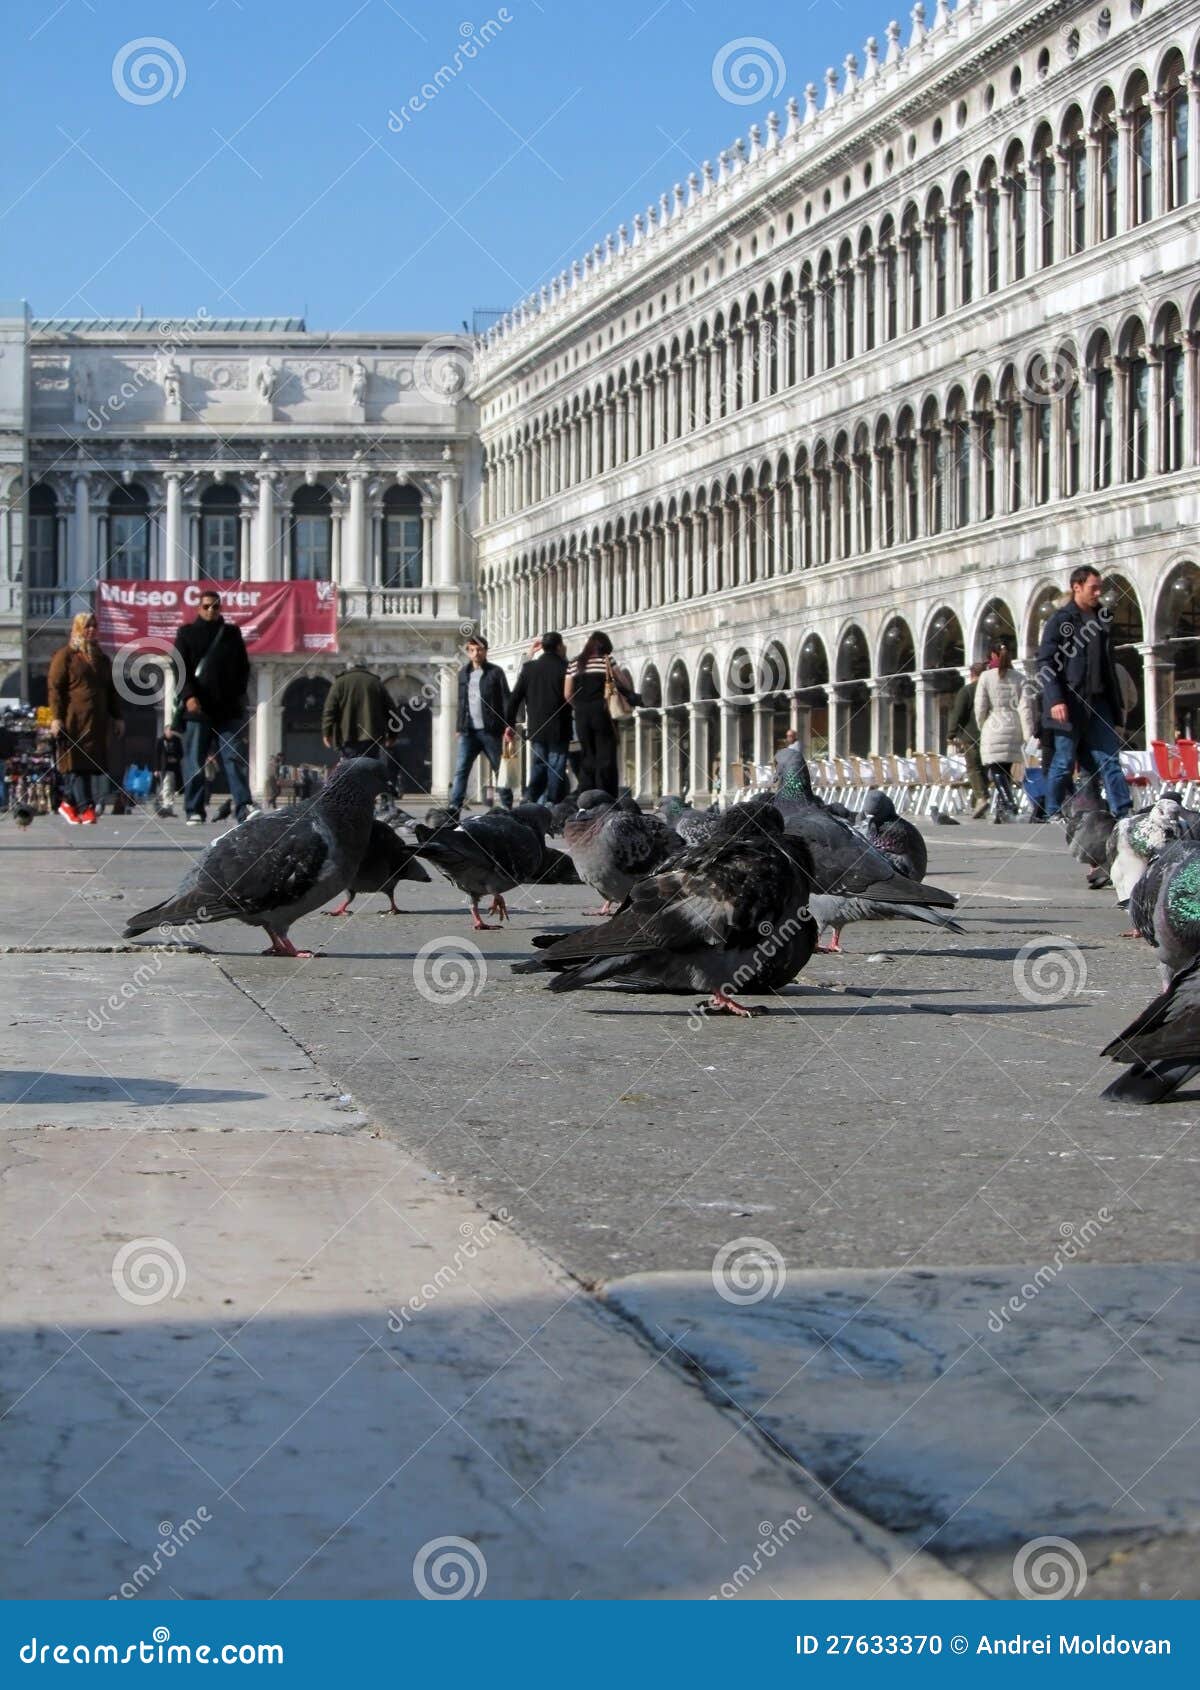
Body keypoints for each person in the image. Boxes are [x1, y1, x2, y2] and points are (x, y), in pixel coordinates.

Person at [1037, 565, 1133, 819]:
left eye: (1100, 587)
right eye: (1094, 587)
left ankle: (1122, 811)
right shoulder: (1061, 620)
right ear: (1076, 587)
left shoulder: (1102, 619)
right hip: (1070, 701)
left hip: (1099, 700)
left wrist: (1117, 703)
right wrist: (1055, 699)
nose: (1098, 592)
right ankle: (1053, 810)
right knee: (1064, 760)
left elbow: (1107, 665)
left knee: (1109, 758)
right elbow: (1046, 662)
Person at [173, 589, 256, 827]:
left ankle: (243, 807)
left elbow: (243, 667)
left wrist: (238, 694)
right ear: (198, 608)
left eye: (215, 607)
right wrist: (188, 696)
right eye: (207, 606)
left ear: (221, 609)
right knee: (195, 760)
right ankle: (194, 809)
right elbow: (179, 668)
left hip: (228, 709)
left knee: (234, 757)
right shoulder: (186, 633)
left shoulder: (231, 633)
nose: (211, 610)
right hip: (198, 708)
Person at [47, 611, 123, 825]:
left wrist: (117, 717)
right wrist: (56, 717)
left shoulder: (102, 658)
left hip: (97, 721)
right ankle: (85, 807)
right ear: (78, 629)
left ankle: (68, 803)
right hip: (73, 721)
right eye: (87, 626)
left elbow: (111, 690)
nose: (91, 630)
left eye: (94, 626)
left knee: (88, 766)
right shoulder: (65, 656)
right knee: (77, 764)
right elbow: (55, 689)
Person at [504, 631, 570, 804]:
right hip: (559, 726)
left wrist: (509, 724)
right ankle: (552, 803)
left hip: (537, 727)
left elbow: (514, 698)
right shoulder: (566, 667)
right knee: (556, 768)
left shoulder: (529, 669)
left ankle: (531, 799)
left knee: (539, 766)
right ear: (558, 646)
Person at [564, 630, 630, 798]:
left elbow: (567, 693)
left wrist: (579, 706)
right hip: (603, 712)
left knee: (587, 754)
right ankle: (606, 795)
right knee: (606, 754)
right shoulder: (607, 661)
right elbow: (624, 683)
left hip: (582, 714)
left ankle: (588, 794)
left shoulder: (574, 664)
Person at [449, 634, 510, 813]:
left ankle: (506, 803)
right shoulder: (463, 674)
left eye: (480, 649)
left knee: (500, 768)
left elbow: (506, 699)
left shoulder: (495, 672)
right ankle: (455, 805)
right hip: (468, 731)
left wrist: (508, 725)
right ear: (468, 652)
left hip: (491, 730)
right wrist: (458, 727)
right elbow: (461, 702)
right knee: (461, 770)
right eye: (472, 650)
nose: (476, 653)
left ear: (485, 651)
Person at [975, 642, 1035, 821]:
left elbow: (980, 707)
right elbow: (1026, 708)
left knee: (996, 770)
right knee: (1005, 769)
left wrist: (982, 725)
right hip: (1014, 725)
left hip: (994, 724)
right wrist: (1027, 734)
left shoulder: (986, 677)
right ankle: (1002, 812)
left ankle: (1009, 803)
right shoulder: (1020, 678)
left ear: (992, 655)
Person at [321, 660, 396, 762]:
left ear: (348, 667)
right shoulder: (375, 683)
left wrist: (326, 733)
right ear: (365, 667)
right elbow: (391, 711)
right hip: (372, 738)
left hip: (346, 737)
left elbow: (329, 711)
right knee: (369, 768)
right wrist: (392, 736)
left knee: (350, 769)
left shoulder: (339, 683)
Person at [949, 661, 988, 818]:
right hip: (988, 734)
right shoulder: (987, 690)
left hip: (970, 735)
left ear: (971, 674)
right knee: (984, 768)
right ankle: (977, 802)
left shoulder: (967, 691)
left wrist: (951, 734)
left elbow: (958, 713)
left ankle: (981, 798)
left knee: (973, 768)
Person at [154, 722, 184, 812]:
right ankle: (167, 803)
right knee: (167, 784)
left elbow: (181, 753)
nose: (171, 732)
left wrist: (176, 759)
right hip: (164, 767)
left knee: (172, 785)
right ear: (165, 731)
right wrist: (156, 769)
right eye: (169, 731)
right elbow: (156, 755)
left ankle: (168, 801)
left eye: (172, 731)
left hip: (175, 767)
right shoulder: (160, 740)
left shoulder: (177, 740)